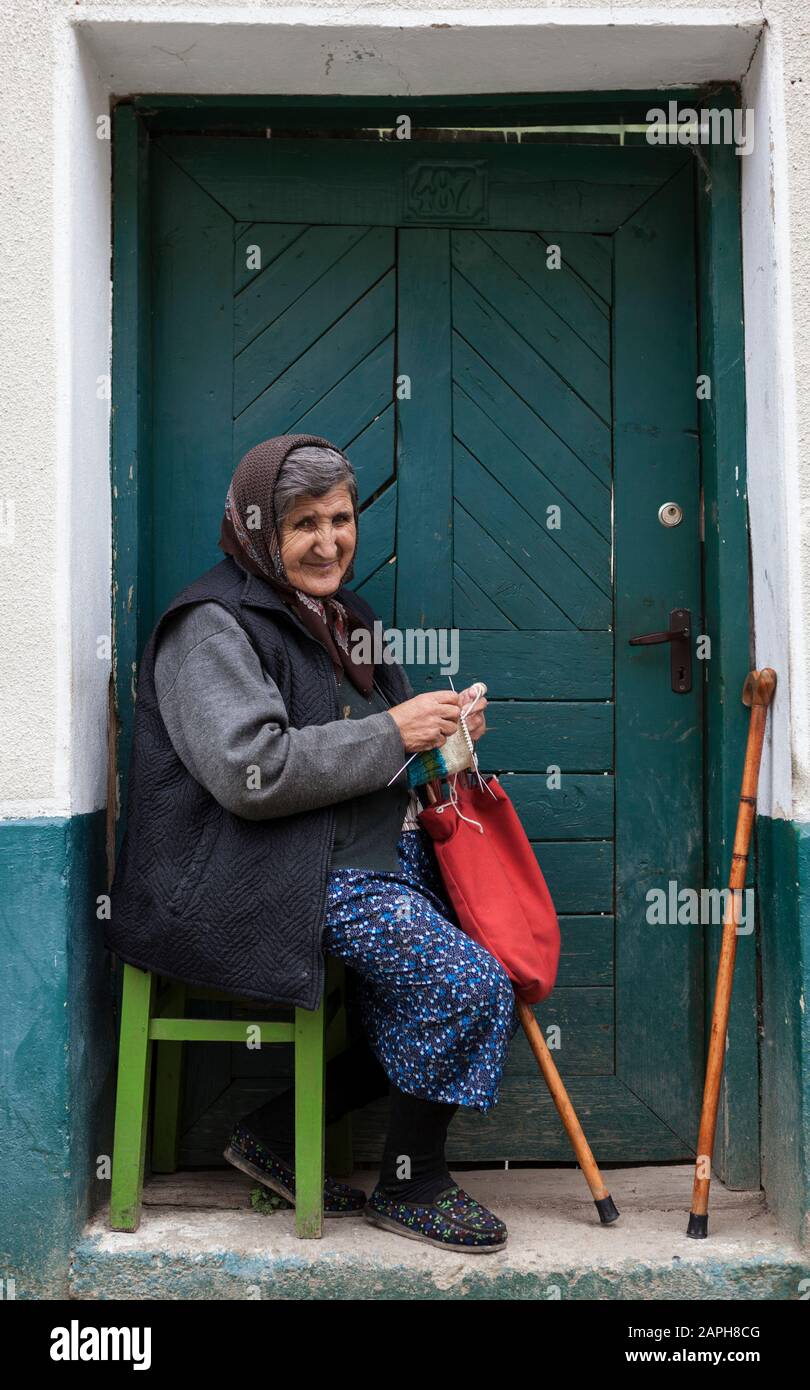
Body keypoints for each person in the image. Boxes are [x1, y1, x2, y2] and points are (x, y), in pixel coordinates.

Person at [107, 433, 519, 1253]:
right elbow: (251, 772)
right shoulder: (210, 626)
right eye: (303, 525)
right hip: (241, 872)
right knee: (464, 981)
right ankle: (414, 1182)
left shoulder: (345, 620)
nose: (329, 541)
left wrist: (446, 736)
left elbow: (387, 755)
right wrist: (393, 732)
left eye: (341, 518)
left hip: (349, 856)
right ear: (260, 531)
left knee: (491, 962)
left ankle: (270, 1133)